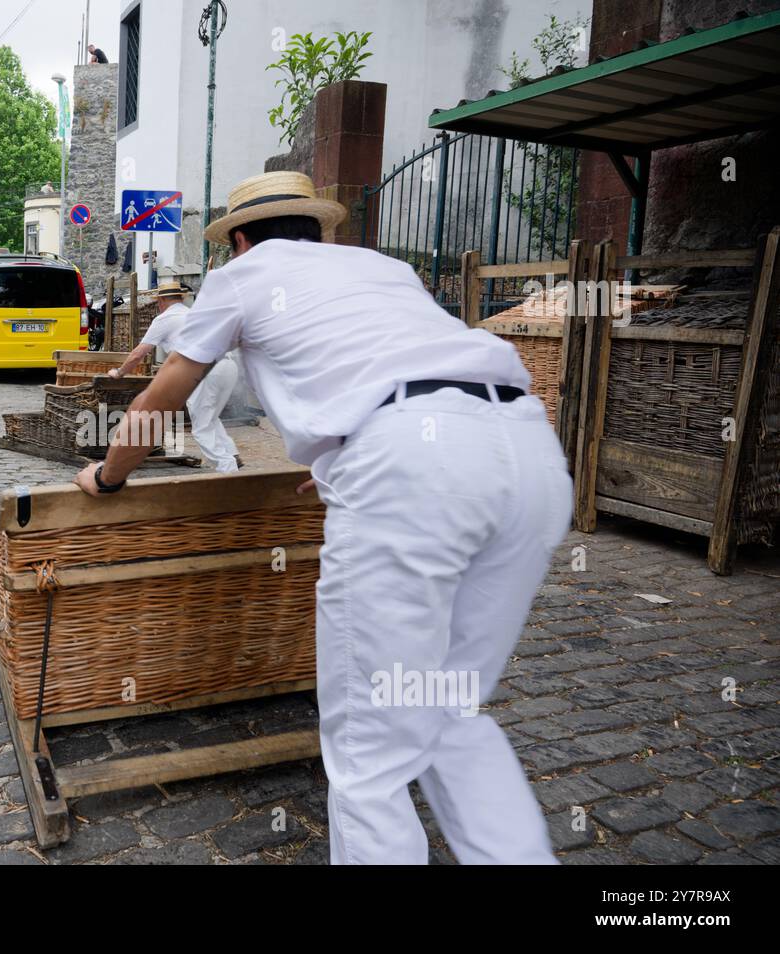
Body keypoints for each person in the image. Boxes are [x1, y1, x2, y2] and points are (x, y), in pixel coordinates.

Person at [74, 171, 571, 865]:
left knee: (370, 746)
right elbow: (398, 368)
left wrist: (107, 475)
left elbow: (161, 396)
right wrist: (347, 459)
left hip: (412, 465)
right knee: (449, 709)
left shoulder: (240, 277)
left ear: (238, 241)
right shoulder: (384, 268)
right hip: (528, 449)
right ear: (316, 229)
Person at [109, 280, 238, 472]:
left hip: (203, 369)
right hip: (228, 366)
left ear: (161, 301)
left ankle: (229, 469)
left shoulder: (164, 319)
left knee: (201, 427)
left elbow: (138, 353)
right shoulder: (195, 314)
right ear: (180, 299)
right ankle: (231, 452)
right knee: (210, 416)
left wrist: (119, 372)